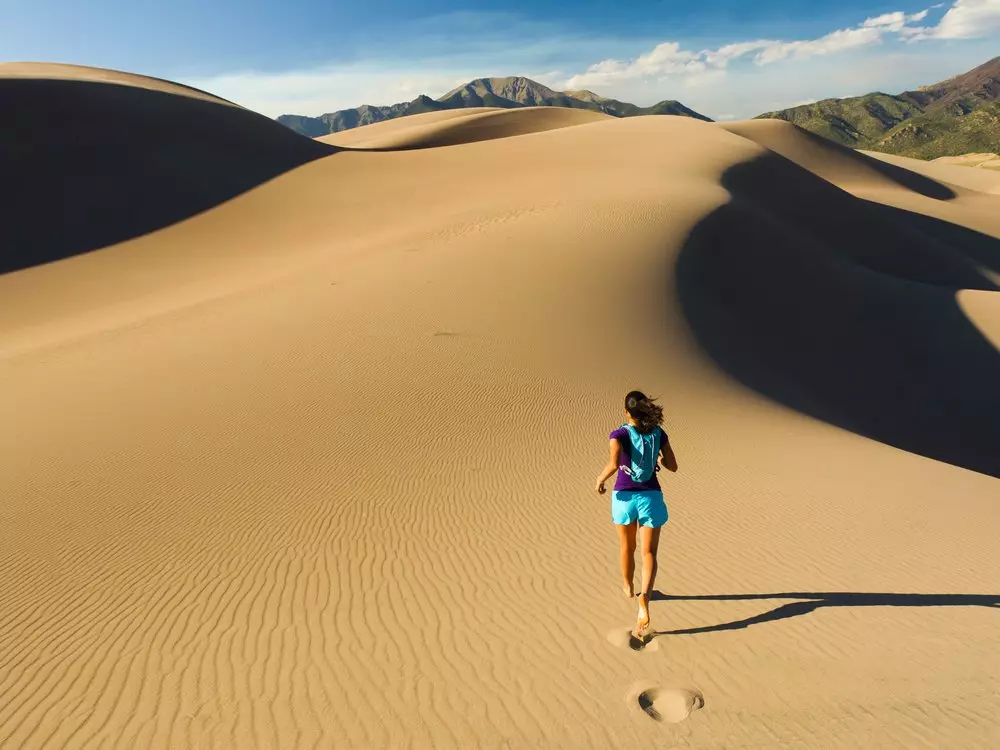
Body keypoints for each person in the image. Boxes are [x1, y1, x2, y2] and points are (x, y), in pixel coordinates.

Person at [595, 390, 678, 637]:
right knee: (649, 552)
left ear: (626, 411)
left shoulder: (618, 434)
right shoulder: (659, 434)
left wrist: (599, 480)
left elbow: (612, 464)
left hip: (624, 498)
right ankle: (645, 599)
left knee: (626, 547)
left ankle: (628, 587)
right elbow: (673, 466)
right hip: (650, 496)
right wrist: (660, 458)